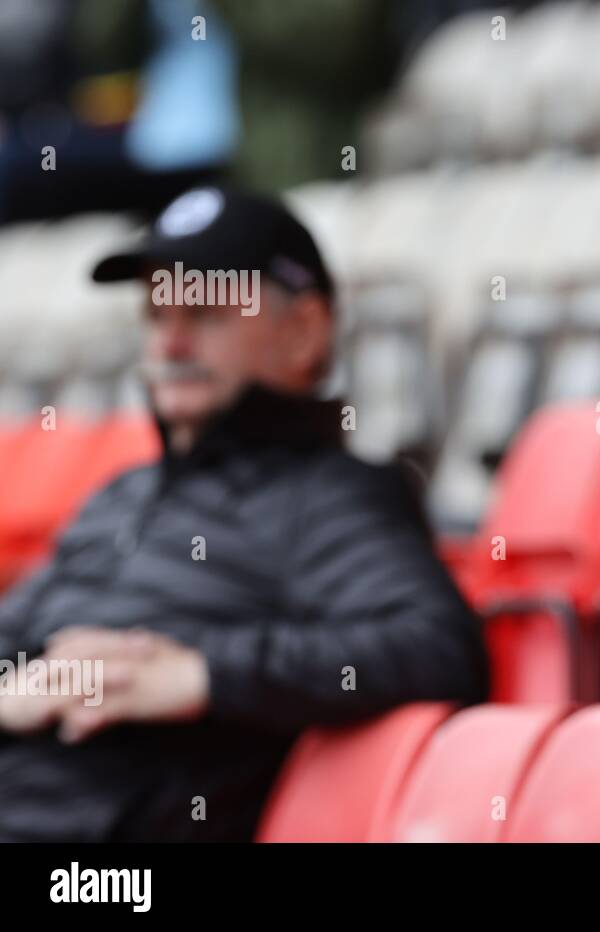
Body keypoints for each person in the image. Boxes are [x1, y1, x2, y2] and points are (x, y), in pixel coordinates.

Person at [0, 185, 487, 841]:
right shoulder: (119, 495)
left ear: (303, 332)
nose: (170, 343)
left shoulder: (330, 495)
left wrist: (199, 673)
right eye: (155, 314)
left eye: (204, 313)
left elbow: (438, 647)